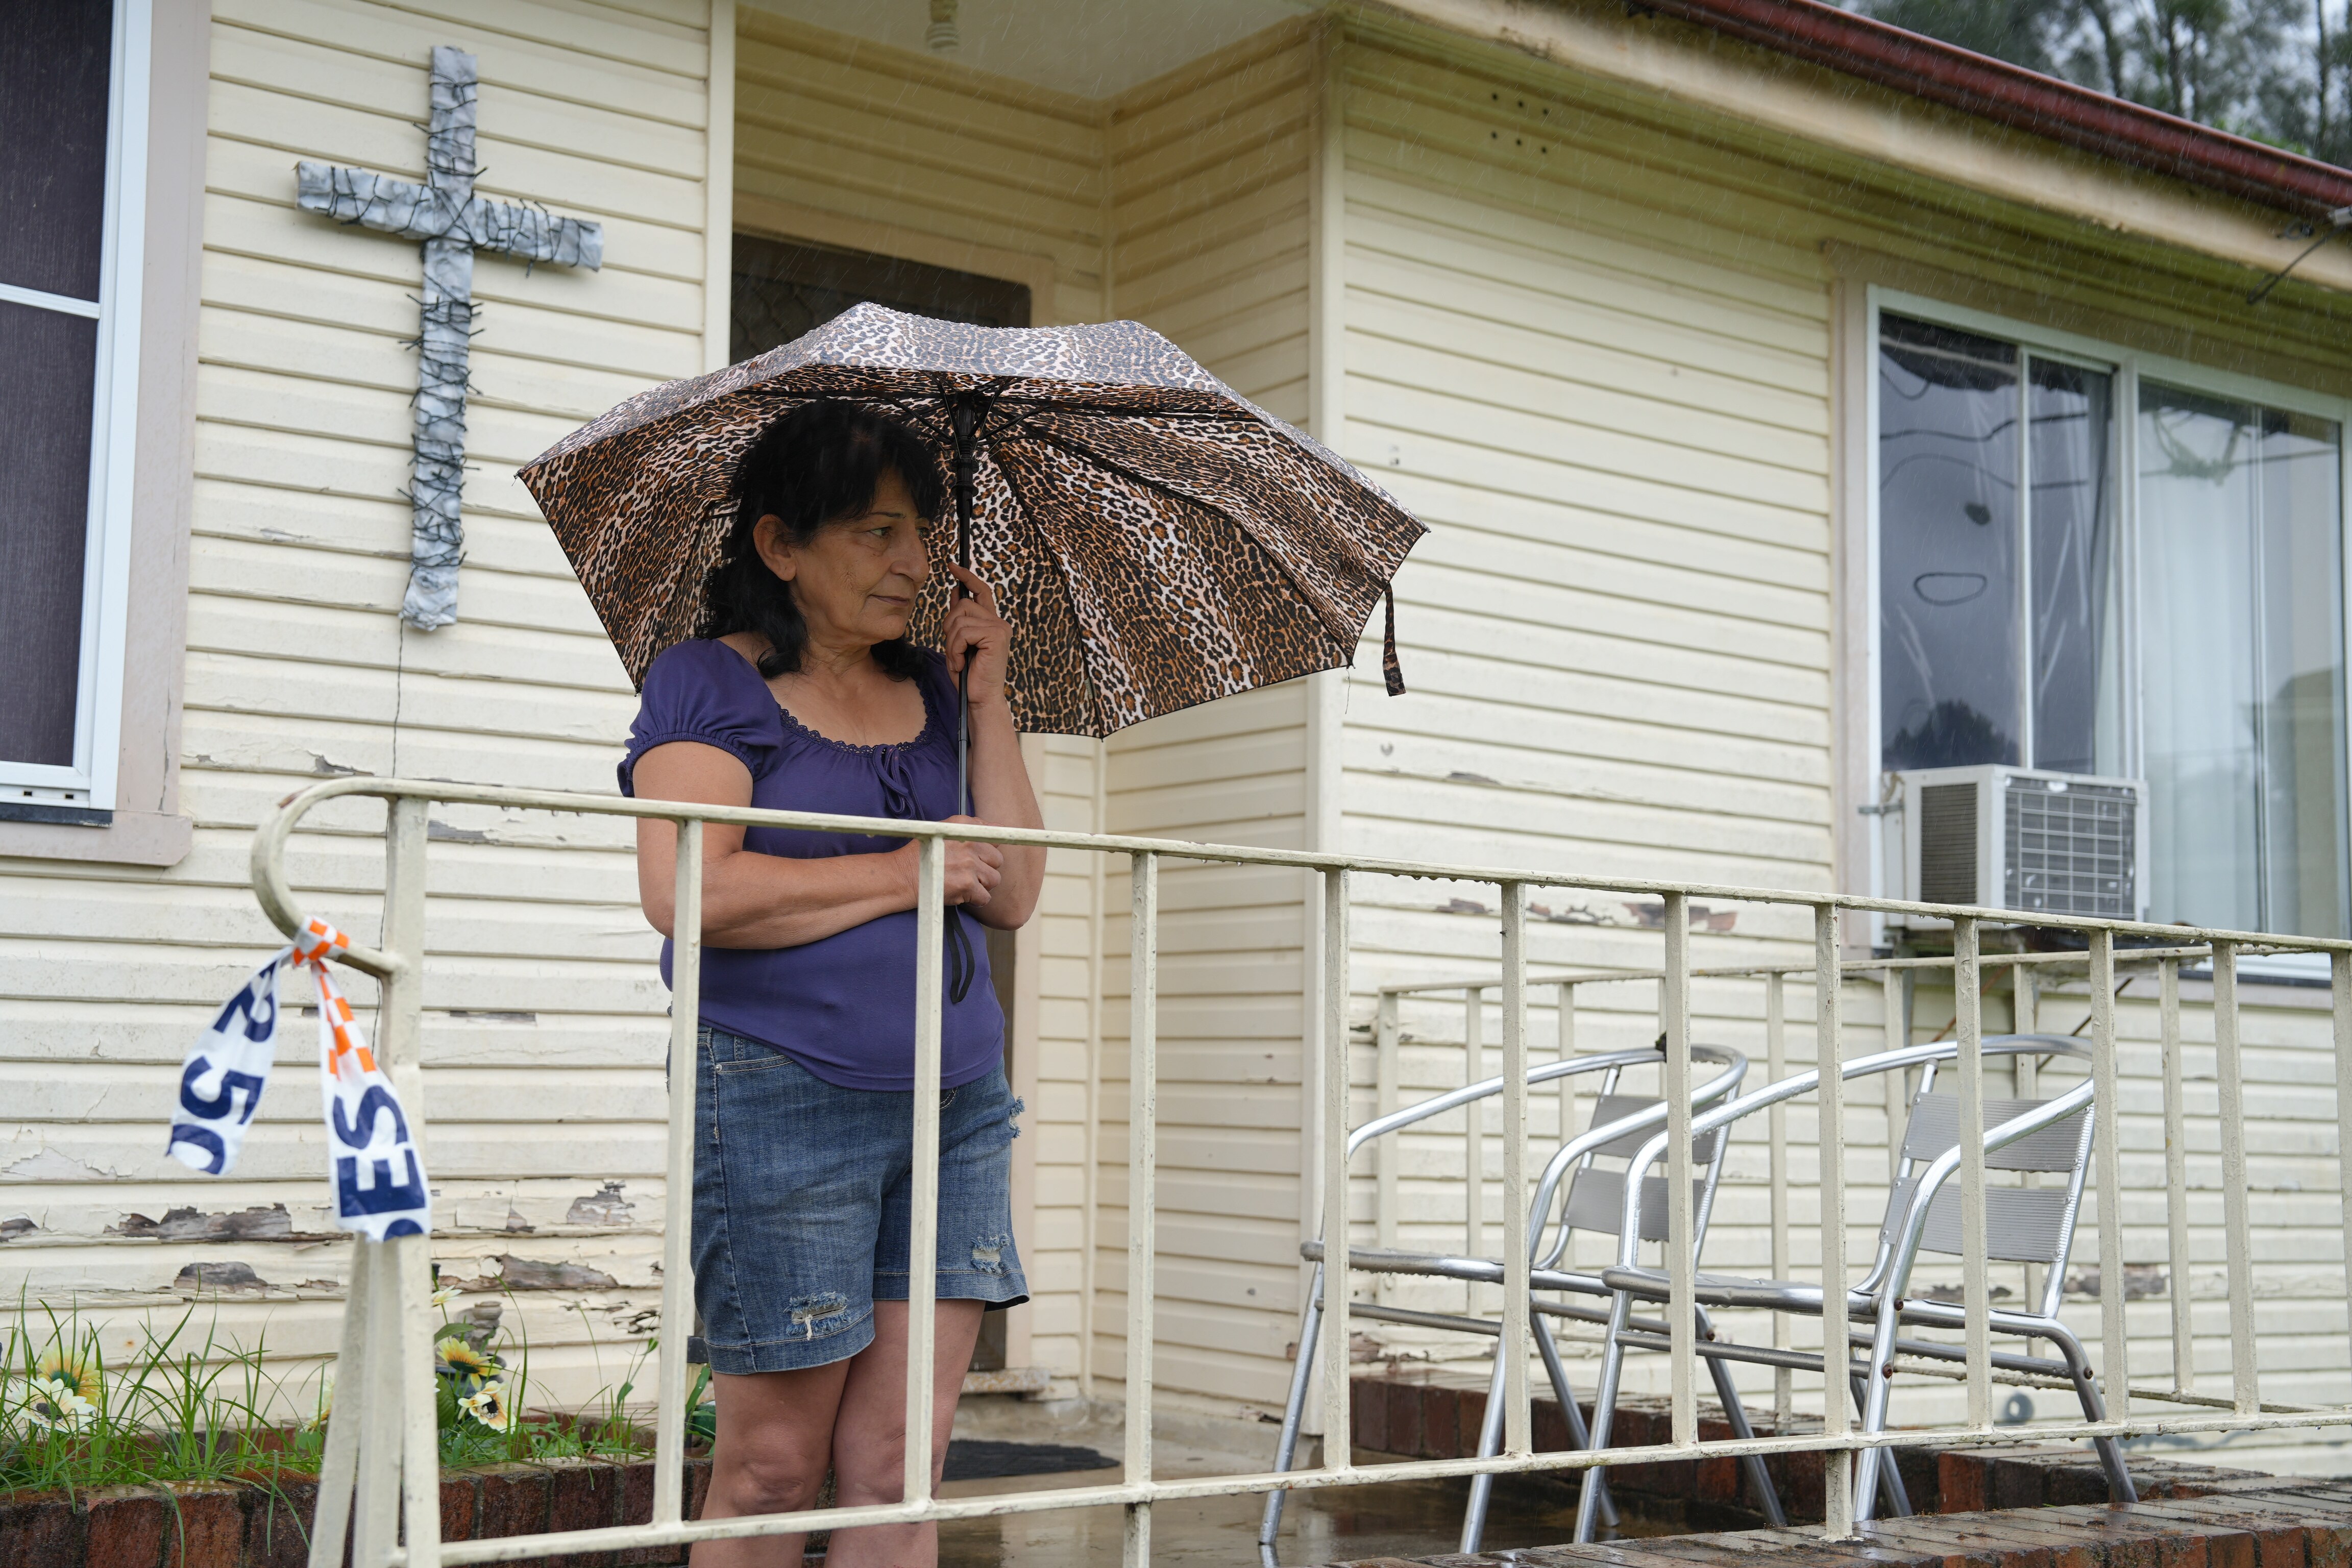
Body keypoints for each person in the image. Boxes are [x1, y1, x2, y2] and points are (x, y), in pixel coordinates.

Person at [622, 398, 1046, 1568]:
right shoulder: (709, 684)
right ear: (780, 546)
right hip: (778, 1096)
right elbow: (692, 895)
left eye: (920, 532)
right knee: (769, 1471)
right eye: (875, 531)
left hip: (955, 1109)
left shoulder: (946, 697)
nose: (914, 563)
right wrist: (908, 871)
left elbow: (1011, 895)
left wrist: (993, 696)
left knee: (898, 1470)